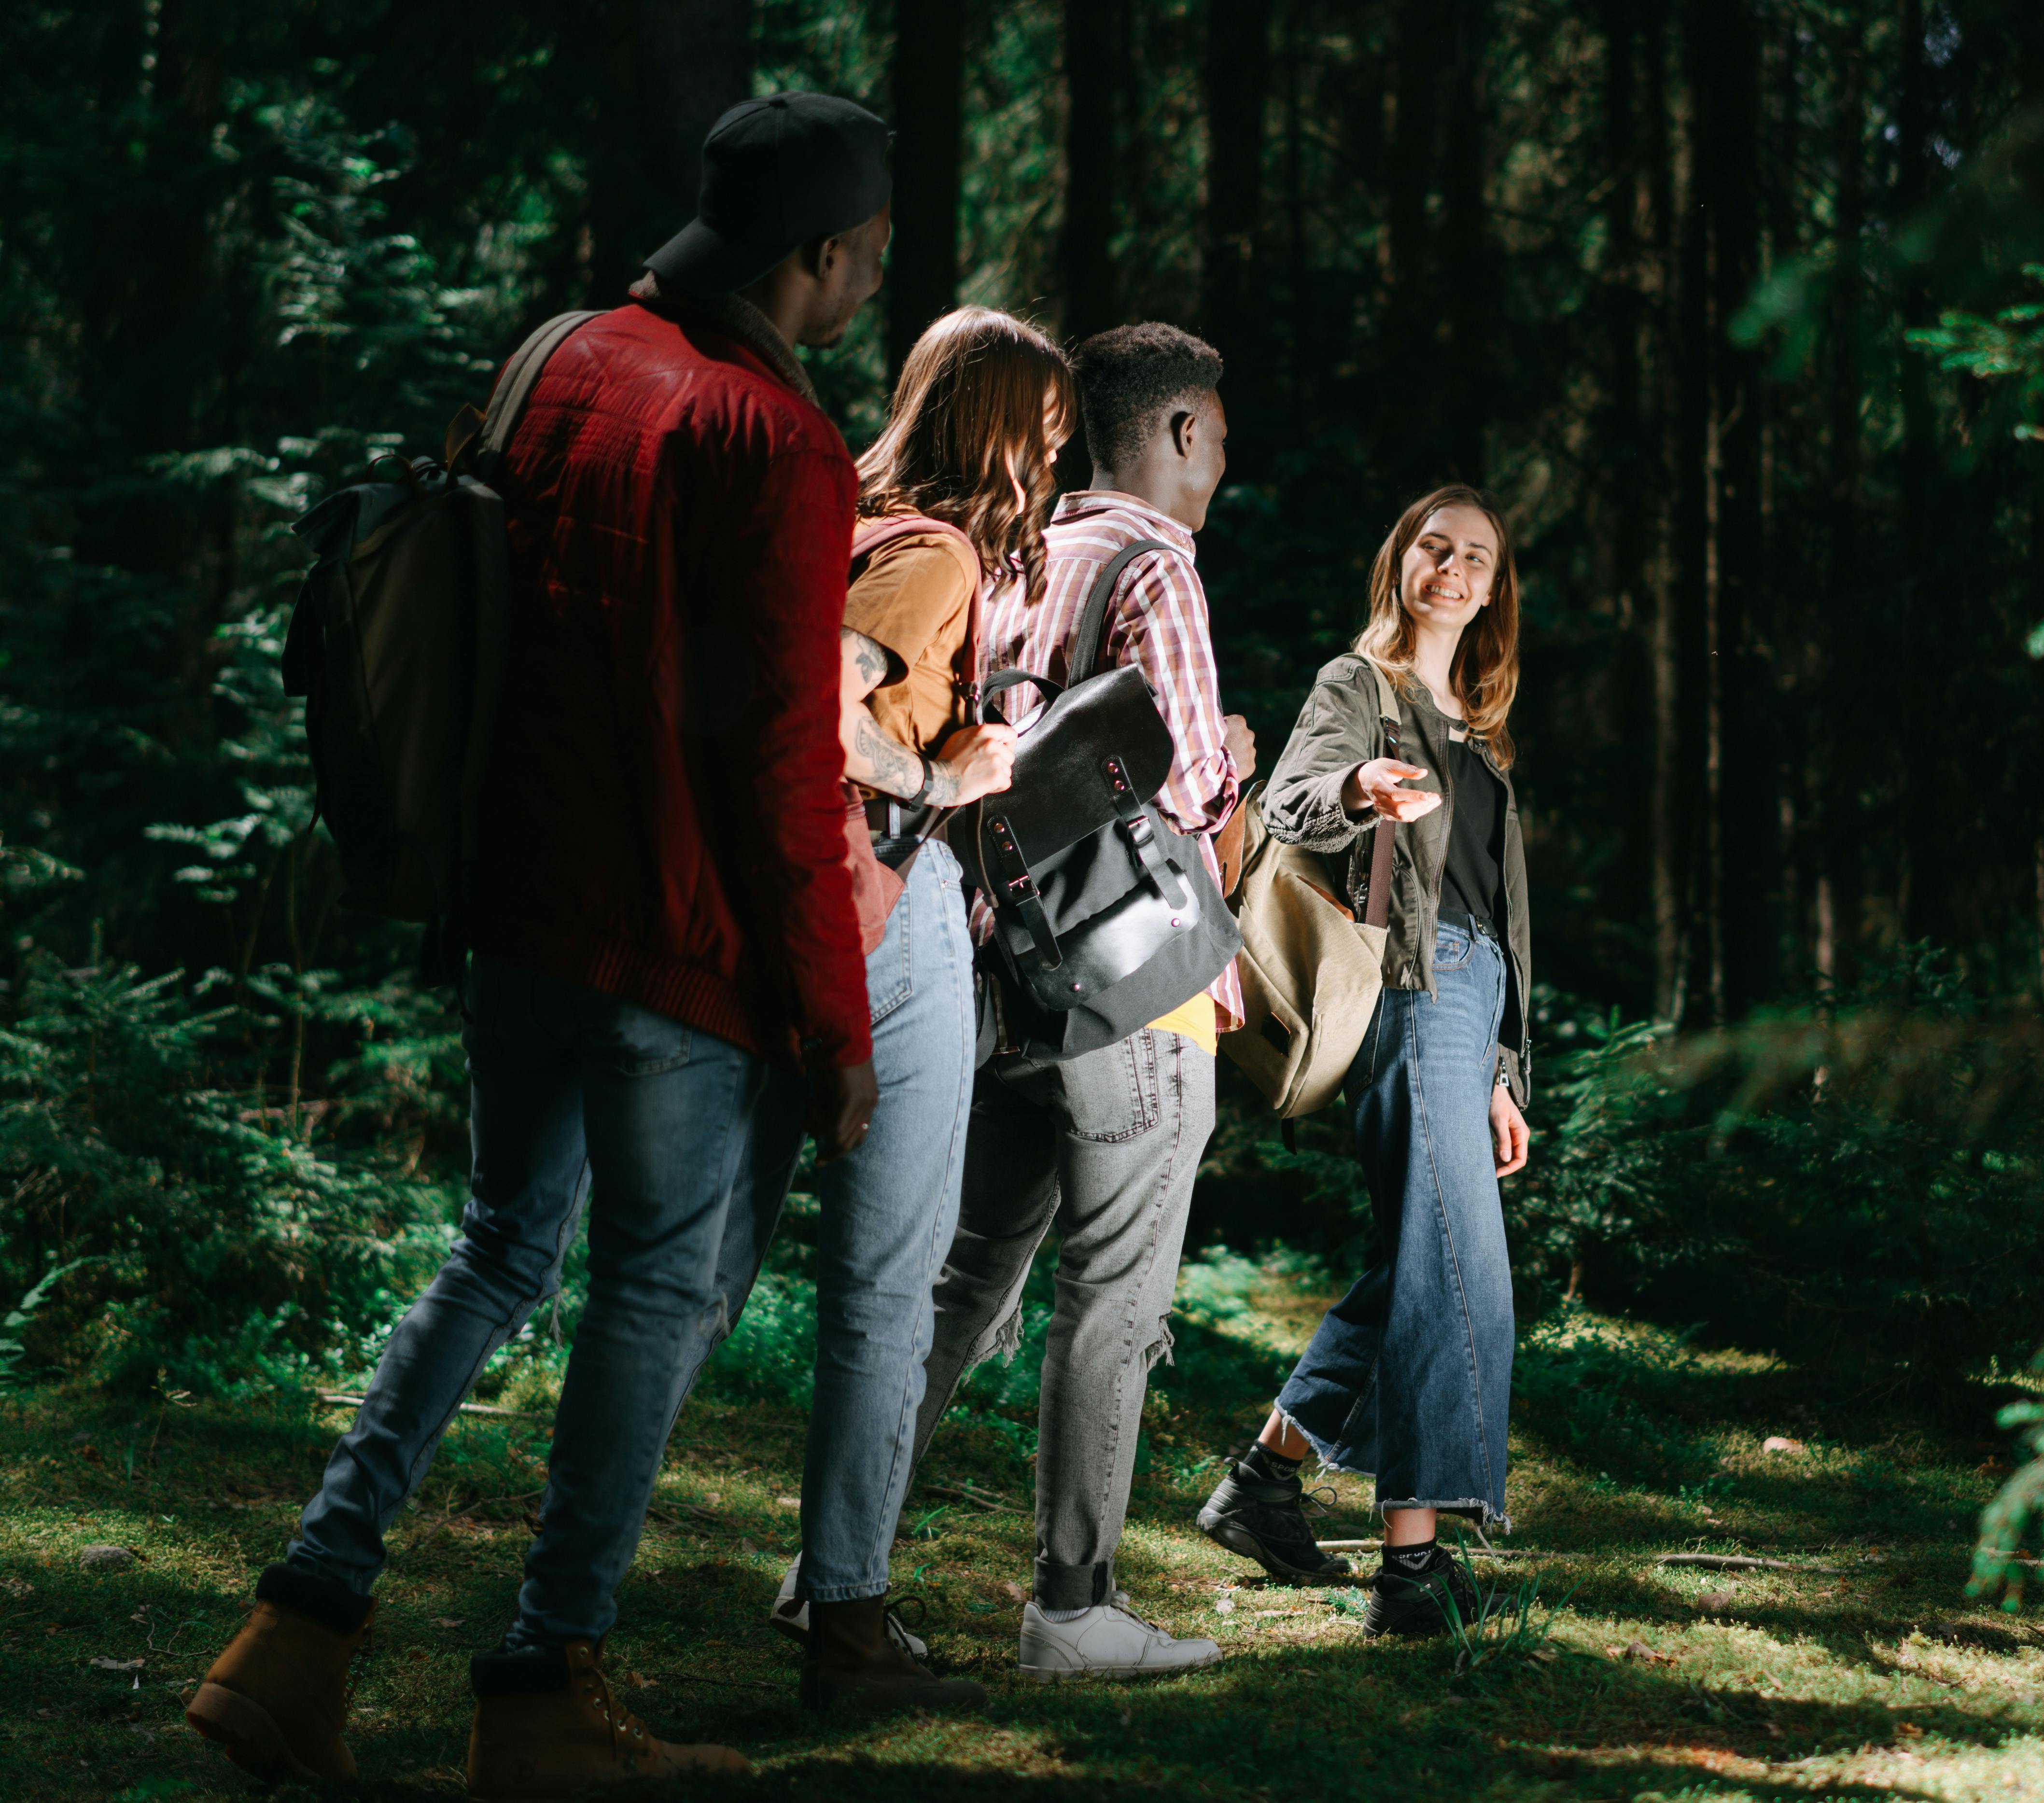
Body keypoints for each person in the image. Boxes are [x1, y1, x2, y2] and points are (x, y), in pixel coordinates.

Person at [186, 93, 893, 1795]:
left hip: (513, 907)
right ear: (820, 257)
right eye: (870, 251)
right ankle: (545, 1679)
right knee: (649, 1287)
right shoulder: (777, 444)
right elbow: (790, 769)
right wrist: (838, 1022)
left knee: (499, 1246)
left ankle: (295, 1626)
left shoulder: (560, 355)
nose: (874, 276)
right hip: (670, 945)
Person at [902, 321, 1255, 1681]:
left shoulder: (1019, 551)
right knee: (1117, 1294)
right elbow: (1180, 794)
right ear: (1175, 431)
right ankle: (1072, 1604)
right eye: (1216, 433)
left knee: (960, 1285)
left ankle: (838, 1577)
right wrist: (1225, 756)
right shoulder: (1158, 564)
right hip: (1137, 969)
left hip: (1002, 969)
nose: (1222, 459)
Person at [759, 309, 1070, 1717]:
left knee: (699, 1274)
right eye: (1048, 430)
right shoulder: (937, 553)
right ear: (1006, 431)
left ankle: (573, 1612)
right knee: (890, 1278)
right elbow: (825, 705)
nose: (1056, 457)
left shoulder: (849, 512)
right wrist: (946, 780)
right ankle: (849, 1614)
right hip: (885, 901)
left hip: (774, 915)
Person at [1193, 483, 1534, 1637]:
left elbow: (1498, 911)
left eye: (1475, 556)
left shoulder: (1484, 730)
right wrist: (1355, 786)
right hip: (1407, 979)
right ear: (1400, 562)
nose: (1453, 567)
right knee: (1455, 1267)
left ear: (1494, 587)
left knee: (1415, 1259)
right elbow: (1286, 797)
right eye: (1433, 547)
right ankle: (1412, 1566)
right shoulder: (1361, 686)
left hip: (1473, 996)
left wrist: (1502, 1069)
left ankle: (1265, 1479)